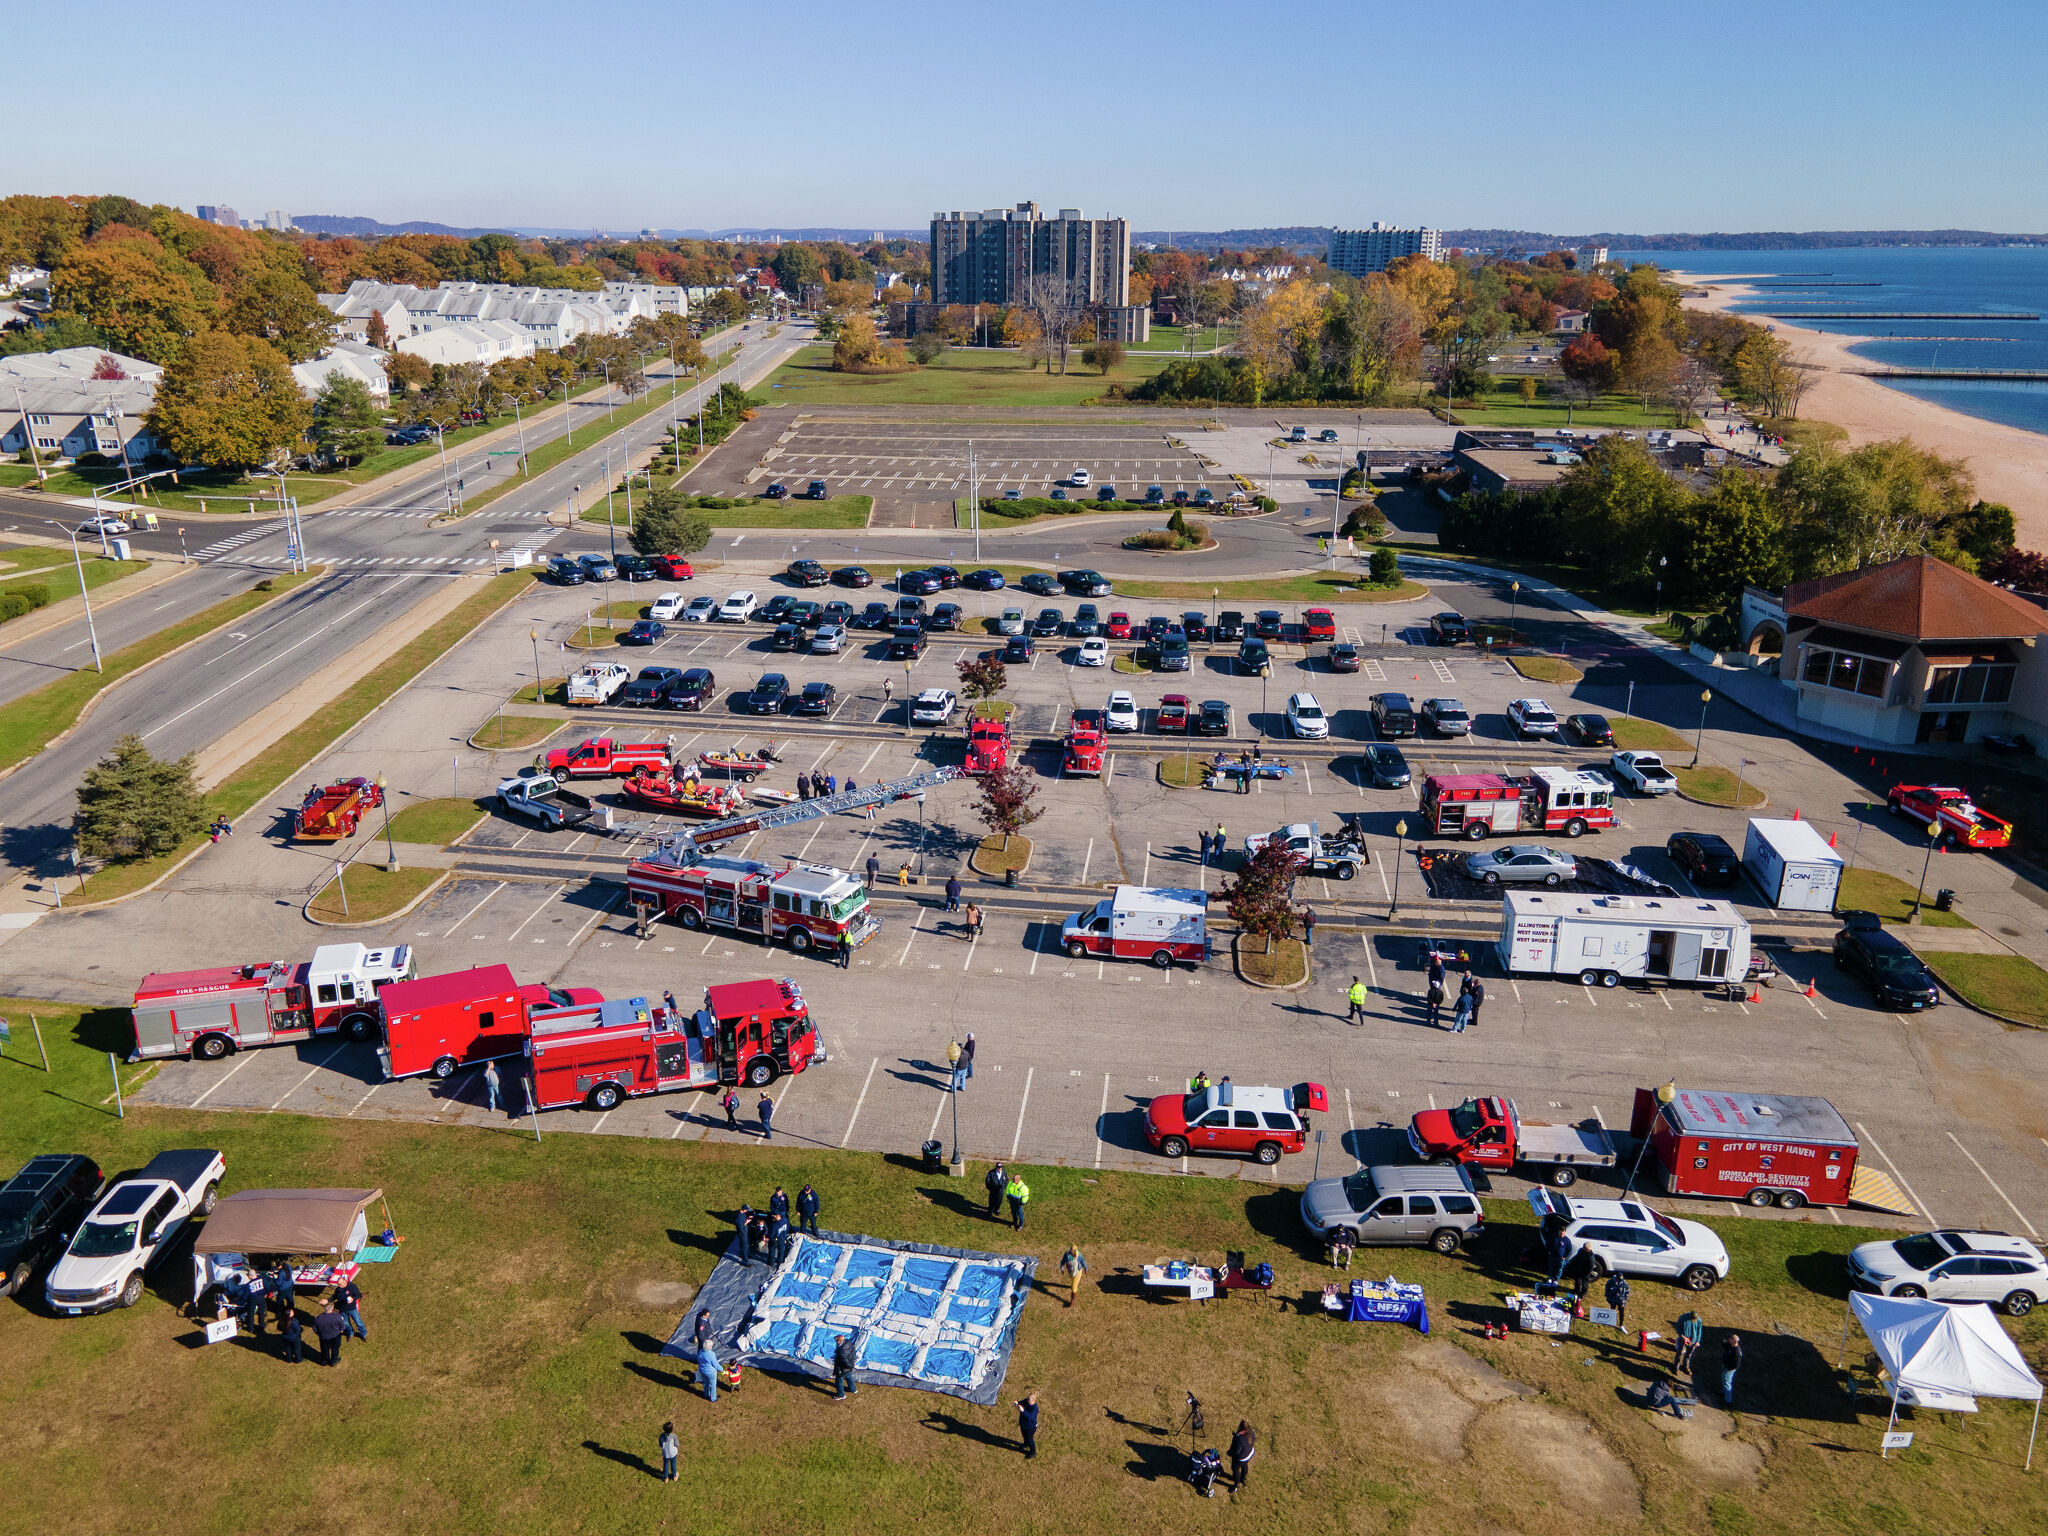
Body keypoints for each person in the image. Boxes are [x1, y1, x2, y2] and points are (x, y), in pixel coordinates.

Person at [312, 1301, 347, 1367]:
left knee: (324, 1349)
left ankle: (324, 1361)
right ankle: (333, 1361)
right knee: (335, 1349)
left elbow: (314, 1329)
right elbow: (342, 1327)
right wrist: (341, 1332)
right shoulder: (338, 1316)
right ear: (332, 1308)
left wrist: (319, 1334)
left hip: (324, 1337)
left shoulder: (318, 1318)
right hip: (336, 1336)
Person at [336, 1276, 366, 1341]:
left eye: (340, 1284)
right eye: (338, 1284)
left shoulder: (352, 1286)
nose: (338, 1286)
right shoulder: (338, 1289)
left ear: (344, 1282)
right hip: (342, 1310)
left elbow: (359, 1295)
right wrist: (328, 1300)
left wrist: (353, 1299)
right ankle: (350, 1333)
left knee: (358, 1322)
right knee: (346, 1323)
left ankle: (363, 1334)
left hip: (352, 1309)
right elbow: (334, 1296)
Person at [1228, 1420, 1256, 1488]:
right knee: (1245, 1465)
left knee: (1235, 1469)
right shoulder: (1251, 1432)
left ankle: (1236, 1484)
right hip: (1249, 1454)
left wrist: (1230, 1453)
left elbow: (1236, 1451)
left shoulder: (1239, 1438)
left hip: (1241, 1458)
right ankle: (1243, 1478)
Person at [832, 1331, 859, 1399]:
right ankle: (853, 1389)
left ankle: (841, 1395)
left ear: (838, 1341)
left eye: (836, 1341)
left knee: (839, 1381)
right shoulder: (848, 1342)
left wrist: (850, 1366)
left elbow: (845, 1362)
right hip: (848, 1366)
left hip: (842, 1368)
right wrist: (851, 1366)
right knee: (848, 1376)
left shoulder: (841, 1352)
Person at [1720, 1332, 1743, 1406]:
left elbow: (1736, 1364)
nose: (1729, 1339)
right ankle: (1723, 1394)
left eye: (1730, 1339)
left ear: (1734, 1341)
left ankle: (1728, 1401)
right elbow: (1724, 1344)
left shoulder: (1736, 1351)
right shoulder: (1731, 1346)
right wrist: (1724, 1340)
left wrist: (1728, 1368)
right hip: (1726, 1366)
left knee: (1727, 1383)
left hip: (1729, 1369)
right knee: (1724, 1380)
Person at [1016, 1391, 1039, 1459]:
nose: (1027, 1400)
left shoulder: (1035, 1408)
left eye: (1029, 1399)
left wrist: (1023, 1410)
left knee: (1030, 1439)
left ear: (1033, 1401)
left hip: (1030, 1427)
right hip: (1023, 1423)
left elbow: (1030, 1417)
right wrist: (1017, 1403)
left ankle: (1033, 1452)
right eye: (1028, 1398)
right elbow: (1021, 1402)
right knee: (1024, 1436)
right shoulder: (1026, 1400)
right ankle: (1025, 1445)